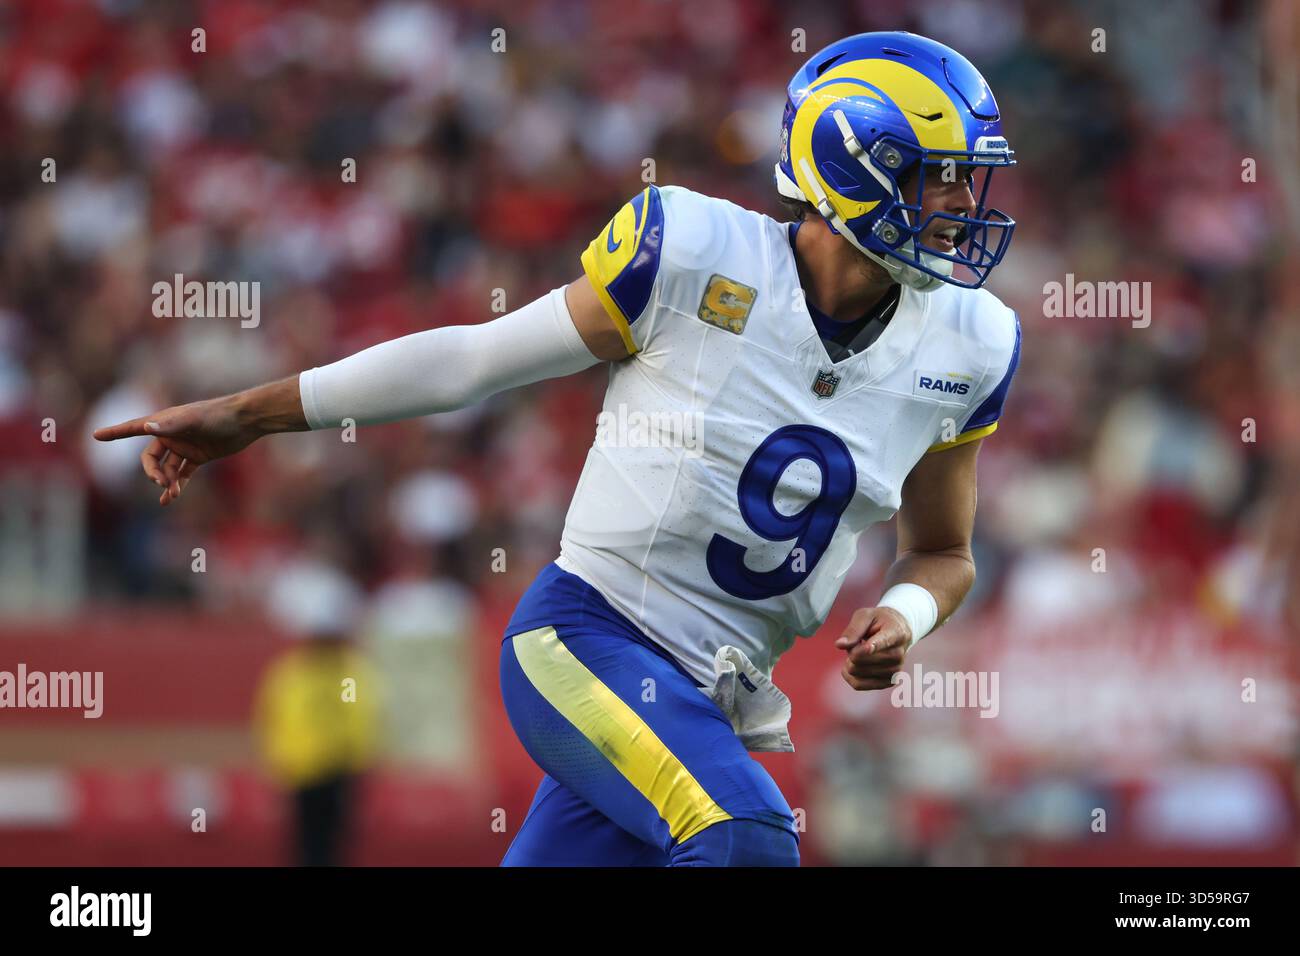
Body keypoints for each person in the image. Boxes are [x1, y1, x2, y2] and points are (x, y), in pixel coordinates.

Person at [94, 31, 1021, 866]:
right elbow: (472, 360)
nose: (958, 203)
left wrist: (904, 612)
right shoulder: (698, 254)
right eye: (937, 174)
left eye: (964, 177)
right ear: (850, 164)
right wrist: (252, 415)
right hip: (584, 636)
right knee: (741, 839)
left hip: (706, 700)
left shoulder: (969, 343)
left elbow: (940, 553)